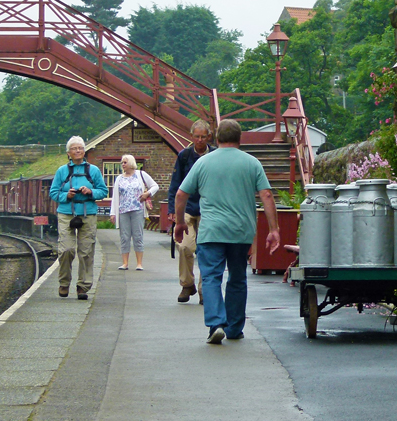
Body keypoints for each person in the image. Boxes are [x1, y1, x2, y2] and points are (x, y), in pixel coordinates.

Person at [174, 119, 280, 344]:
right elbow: (267, 196)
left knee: (212, 276)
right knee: (238, 278)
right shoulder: (252, 163)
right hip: (240, 232)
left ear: (216, 138)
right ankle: (233, 328)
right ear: (240, 139)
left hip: (212, 230)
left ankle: (215, 323)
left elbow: (181, 194)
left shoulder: (203, 162)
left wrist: (180, 223)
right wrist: (274, 229)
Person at [48, 136, 108, 300]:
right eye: (74, 148)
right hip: (67, 212)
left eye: (80, 148)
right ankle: (64, 282)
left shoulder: (93, 170)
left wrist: (91, 192)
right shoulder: (62, 171)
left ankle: (83, 286)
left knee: (86, 250)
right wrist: (66, 195)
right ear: (69, 153)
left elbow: (103, 191)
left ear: (84, 151)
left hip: (88, 213)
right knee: (66, 249)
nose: (77, 151)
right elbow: (53, 193)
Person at [168, 120, 214, 303]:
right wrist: (172, 209)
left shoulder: (215, 155)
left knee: (206, 249)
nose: (200, 140)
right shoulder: (184, 156)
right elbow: (175, 184)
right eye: (197, 136)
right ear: (191, 136)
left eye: (203, 137)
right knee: (185, 246)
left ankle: (205, 290)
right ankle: (187, 284)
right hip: (187, 207)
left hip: (208, 208)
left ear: (209, 137)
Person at [109, 154, 159, 271]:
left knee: (138, 235)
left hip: (138, 209)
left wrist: (147, 194)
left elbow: (155, 186)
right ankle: (125, 263)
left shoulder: (141, 175)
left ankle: (139, 263)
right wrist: (113, 213)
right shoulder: (119, 179)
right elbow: (115, 197)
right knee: (124, 237)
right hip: (123, 211)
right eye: (122, 162)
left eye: (125, 162)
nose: (123, 164)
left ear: (131, 163)